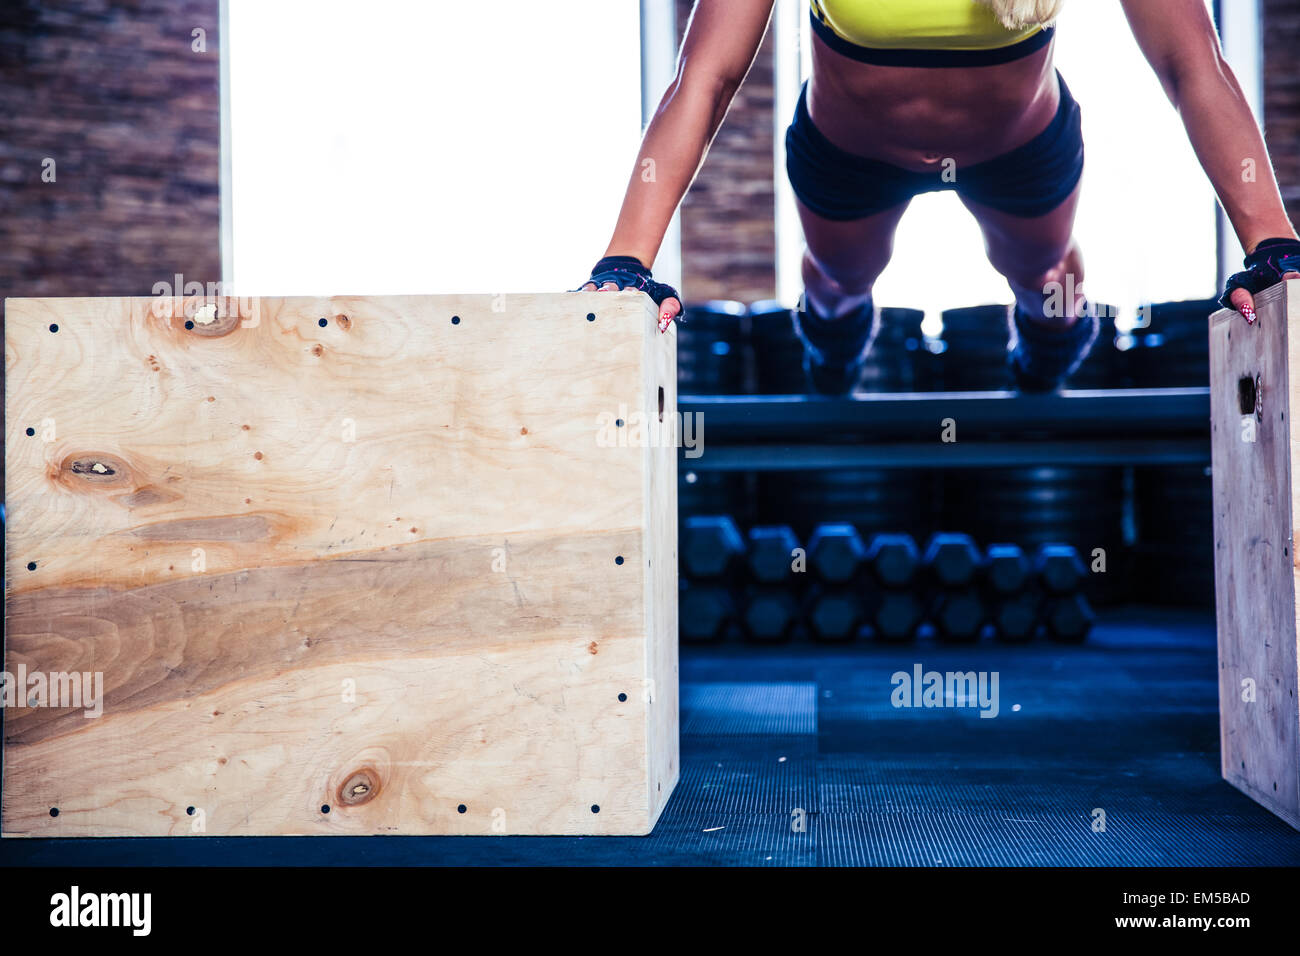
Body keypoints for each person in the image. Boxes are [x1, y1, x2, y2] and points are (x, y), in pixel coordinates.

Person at [573, 0, 1300, 394]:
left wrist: (1270, 243)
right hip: (850, 157)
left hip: (1019, 153)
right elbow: (704, 76)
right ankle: (832, 361)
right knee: (834, 284)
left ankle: (1042, 366)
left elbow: (1192, 63)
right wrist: (626, 261)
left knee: (1049, 285)